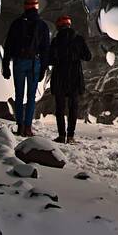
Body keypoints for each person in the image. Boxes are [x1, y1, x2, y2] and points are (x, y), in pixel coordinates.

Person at [2, 0, 50, 137]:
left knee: (19, 94)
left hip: (19, 62)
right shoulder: (42, 25)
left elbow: (8, 45)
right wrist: (43, 68)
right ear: (36, 7)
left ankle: (20, 125)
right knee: (31, 97)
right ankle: (28, 127)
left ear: (25, 7)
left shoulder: (17, 23)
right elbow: (45, 49)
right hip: (35, 63)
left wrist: (5, 65)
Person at [47, 15, 92, 143]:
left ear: (58, 26)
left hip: (60, 78)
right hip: (74, 78)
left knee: (60, 108)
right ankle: (71, 136)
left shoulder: (56, 41)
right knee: (73, 108)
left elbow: (50, 59)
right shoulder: (78, 39)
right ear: (69, 25)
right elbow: (88, 56)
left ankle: (61, 135)